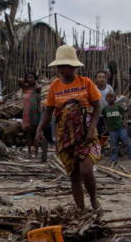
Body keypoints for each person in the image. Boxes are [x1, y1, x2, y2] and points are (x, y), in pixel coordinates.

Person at [35, 45, 102, 211]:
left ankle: (93, 200)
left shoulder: (86, 83)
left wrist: (93, 127)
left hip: (87, 134)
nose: (61, 69)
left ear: (73, 66)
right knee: (74, 175)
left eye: (64, 65)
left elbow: (97, 106)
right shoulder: (55, 86)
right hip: (65, 136)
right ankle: (80, 209)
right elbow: (49, 110)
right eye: (59, 66)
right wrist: (39, 129)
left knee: (86, 170)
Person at [102, 91, 131, 164]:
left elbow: (124, 115)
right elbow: (104, 118)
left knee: (127, 141)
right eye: (108, 96)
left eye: (112, 96)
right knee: (113, 144)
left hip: (120, 127)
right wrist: (106, 126)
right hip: (112, 129)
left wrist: (124, 122)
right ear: (106, 99)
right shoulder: (105, 109)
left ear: (115, 98)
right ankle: (114, 158)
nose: (110, 98)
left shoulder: (118, 107)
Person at [19, 71, 45, 160]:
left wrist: (35, 81)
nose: (30, 79)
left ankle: (36, 151)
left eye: (32, 77)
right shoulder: (25, 88)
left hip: (36, 113)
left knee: (36, 133)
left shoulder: (37, 88)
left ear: (35, 79)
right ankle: (29, 152)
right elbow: (19, 80)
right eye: (28, 77)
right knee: (29, 134)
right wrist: (27, 80)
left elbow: (38, 86)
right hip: (26, 113)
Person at [94, 70, 113, 135]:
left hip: (108, 114)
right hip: (97, 114)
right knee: (98, 131)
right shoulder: (94, 89)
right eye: (99, 77)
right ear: (96, 80)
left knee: (109, 131)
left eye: (103, 77)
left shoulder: (109, 87)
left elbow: (113, 99)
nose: (102, 79)